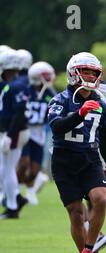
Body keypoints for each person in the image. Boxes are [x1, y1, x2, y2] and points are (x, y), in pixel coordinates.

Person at [48, 52, 106, 253]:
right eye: (84, 71)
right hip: (64, 160)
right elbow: (57, 127)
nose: (88, 75)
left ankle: (87, 252)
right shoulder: (60, 100)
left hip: (89, 157)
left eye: (92, 72)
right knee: (76, 213)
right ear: (73, 73)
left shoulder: (101, 103)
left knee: (101, 198)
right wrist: (80, 113)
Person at [16, 62, 56, 205]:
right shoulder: (26, 90)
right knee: (23, 163)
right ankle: (14, 191)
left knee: (34, 170)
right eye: (45, 75)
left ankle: (29, 190)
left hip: (39, 133)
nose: (49, 78)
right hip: (25, 130)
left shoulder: (49, 94)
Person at [0, 49, 30, 219]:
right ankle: (14, 199)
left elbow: (19, 113)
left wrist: (10, 135)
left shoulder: (16, 85)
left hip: (15, 132)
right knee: (5, 168)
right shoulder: (13, 84)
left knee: (8, 168)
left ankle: (12, 206)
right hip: (12, 131)